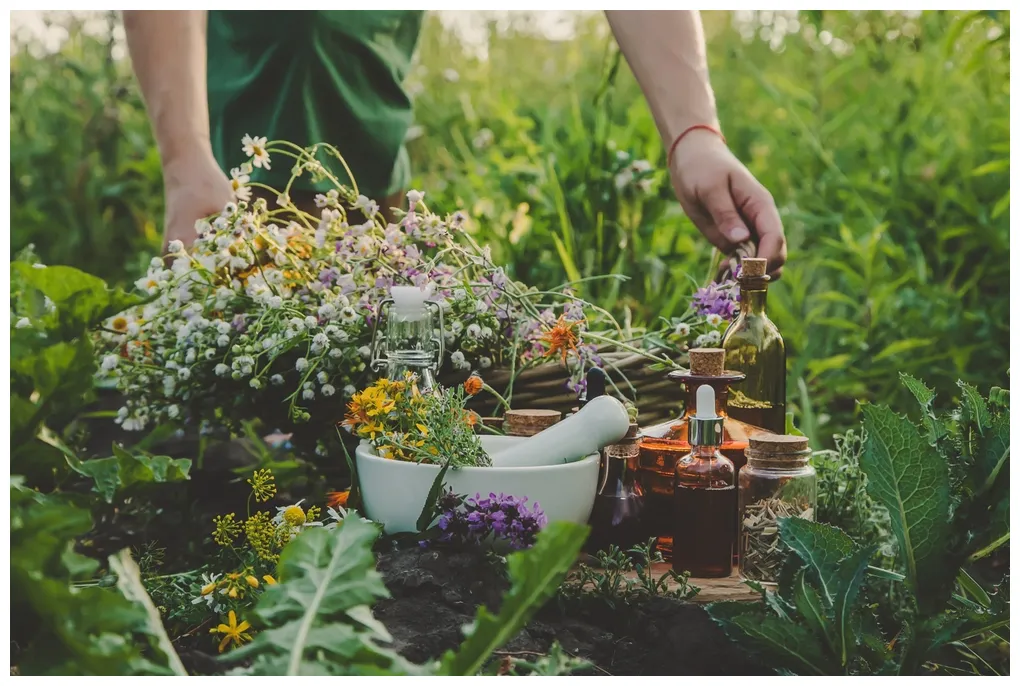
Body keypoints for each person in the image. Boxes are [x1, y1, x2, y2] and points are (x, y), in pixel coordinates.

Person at [123, 10, 786, 278]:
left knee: (337, 43)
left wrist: (694, 134)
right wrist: (185, 158)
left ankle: (358, 300)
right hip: (238, 130)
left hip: (359, 119)